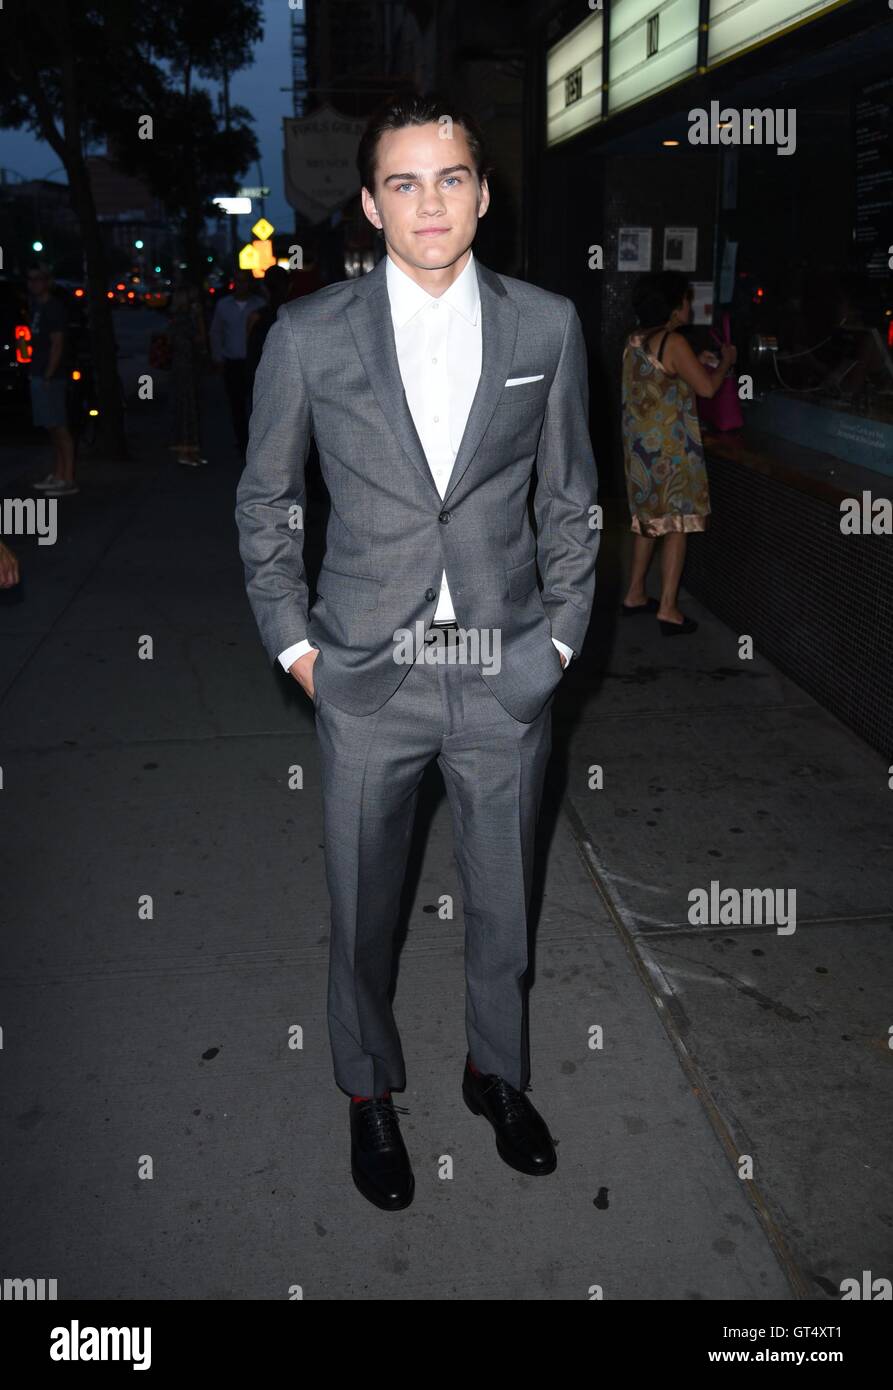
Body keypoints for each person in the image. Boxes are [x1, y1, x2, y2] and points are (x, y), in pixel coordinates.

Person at [236, 92, 598, 1211]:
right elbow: (267, 504)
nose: (428, 201)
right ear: (369, 204)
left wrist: (560, 643)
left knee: (504, 901)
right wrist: (298, 649)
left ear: (482, 195)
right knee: (363, 907)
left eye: (449, 178)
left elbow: (572, 502)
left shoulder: (546, 326)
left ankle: (495, 1071)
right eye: (403, 181)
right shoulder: (307, 336)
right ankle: (367, 1089)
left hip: (503, 673)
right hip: (362, 676)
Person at [621, 271, 736, 635]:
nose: (690, 305)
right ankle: (669, 608)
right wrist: (727, 361)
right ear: (673, 306)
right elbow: (705, 388)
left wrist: (694, 358)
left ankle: (636, 594)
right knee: (677, 525)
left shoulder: (636, 339)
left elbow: (663, 378)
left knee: (647, 523)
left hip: (640, 452)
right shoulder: (672, 341)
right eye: (685, 299)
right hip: (672, 453)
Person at [27, 265, 78, 498]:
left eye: (37, 279)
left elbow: (58, 343)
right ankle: (58, 474)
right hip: (37, 371)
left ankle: (68, 478)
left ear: (47, 282)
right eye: (31, 280)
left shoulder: (54, 308)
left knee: (59, 426)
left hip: (50, 376)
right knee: (51, 427)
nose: (33, 283)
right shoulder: (37, 307)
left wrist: (49, 373)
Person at [209, 269, 264, 457]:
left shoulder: (260, 305)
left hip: (254, 363)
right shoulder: (223, 305)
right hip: (232, 361)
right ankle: (242, 442)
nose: (242, 285)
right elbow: (216, 332)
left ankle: (257, 440)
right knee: (236, 404)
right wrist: (218, 358)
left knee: (256, 404)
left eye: (245, 281)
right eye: (239, 281)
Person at [168, 282, 208, 467]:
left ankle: (190, 449)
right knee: (187, 409)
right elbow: (198, 339)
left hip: (185, 367)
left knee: (188, 409)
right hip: (185, 368)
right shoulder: (183, 319)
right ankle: (186, 449)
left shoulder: (179, 318)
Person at [245, 265, 289, 403]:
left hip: (264, 383)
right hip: (289, 382)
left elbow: (251, 353)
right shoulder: (296, 315)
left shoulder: (256, 317)